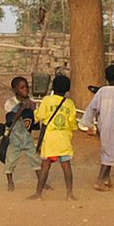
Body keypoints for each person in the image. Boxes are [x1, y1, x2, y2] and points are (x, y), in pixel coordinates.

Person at [80, 64, 114, 192]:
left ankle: (107, 179)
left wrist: (89, 123)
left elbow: (92, 107)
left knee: (107, 150)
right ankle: (99, 180)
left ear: (106, 77)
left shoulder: (102, 91)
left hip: (103, 125)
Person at [32, 72, 79, 200]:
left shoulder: (47, 100)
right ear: (68, 89)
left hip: (50, 139)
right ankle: (69, 193)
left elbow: (39, 116)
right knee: (66, 165)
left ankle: (38, 194)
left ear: (52, 87)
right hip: (64, 139)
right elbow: (72, 123)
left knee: (45, 165)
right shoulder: (69, 104)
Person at [0, 75, 40, 192]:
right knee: (10, 160)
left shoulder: (31, 103)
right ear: (15, 90)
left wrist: (32, 109)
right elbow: (11, 120)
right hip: (14, 137)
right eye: (22, 88)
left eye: (27, 87)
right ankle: (10, 182)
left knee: (35, 158)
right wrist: (22, 108)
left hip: (26, 136)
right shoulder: (10, 103)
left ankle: (41, 181)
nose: (25, 90)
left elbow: (34, 122)